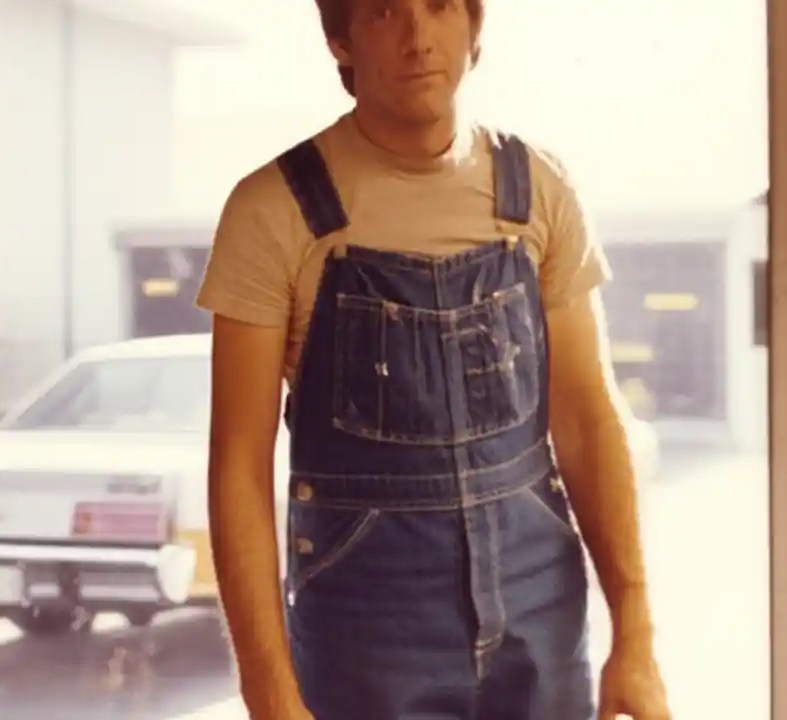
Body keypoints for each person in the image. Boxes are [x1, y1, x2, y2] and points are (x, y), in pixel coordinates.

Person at [197, 1, 671, 718]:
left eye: (441, 6)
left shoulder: (538, 190)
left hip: (541, 612)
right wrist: (268, 693)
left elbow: (586, 418)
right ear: (340, 40)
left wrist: (634, 635)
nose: (418, 37)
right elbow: (237, 463)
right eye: (385, 12)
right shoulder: (274, 210)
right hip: (363, 630)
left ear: (474, 27)